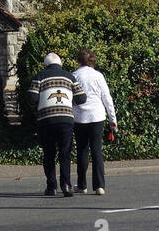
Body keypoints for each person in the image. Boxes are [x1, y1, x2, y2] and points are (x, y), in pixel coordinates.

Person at [28, 52, 86, 197]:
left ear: (44, 65)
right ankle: (66, 185)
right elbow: (82, 98)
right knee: (64, 153)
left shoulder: (39, 76)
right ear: (60, 64)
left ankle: (52, 187)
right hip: (66, 120)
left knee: (49, 153)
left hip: (46, 120)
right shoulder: (69, 76)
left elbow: (32, 98)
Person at [72, 49, 117, 195]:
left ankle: (82, 185)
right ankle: (99, 186)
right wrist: (113, 120)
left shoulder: (74, 76)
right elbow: (107, 98)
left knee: (82, 150)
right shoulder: (98, 76)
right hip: (97, 116)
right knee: (97, 150)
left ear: (78, 61)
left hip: (79, 117)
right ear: (93, 61)